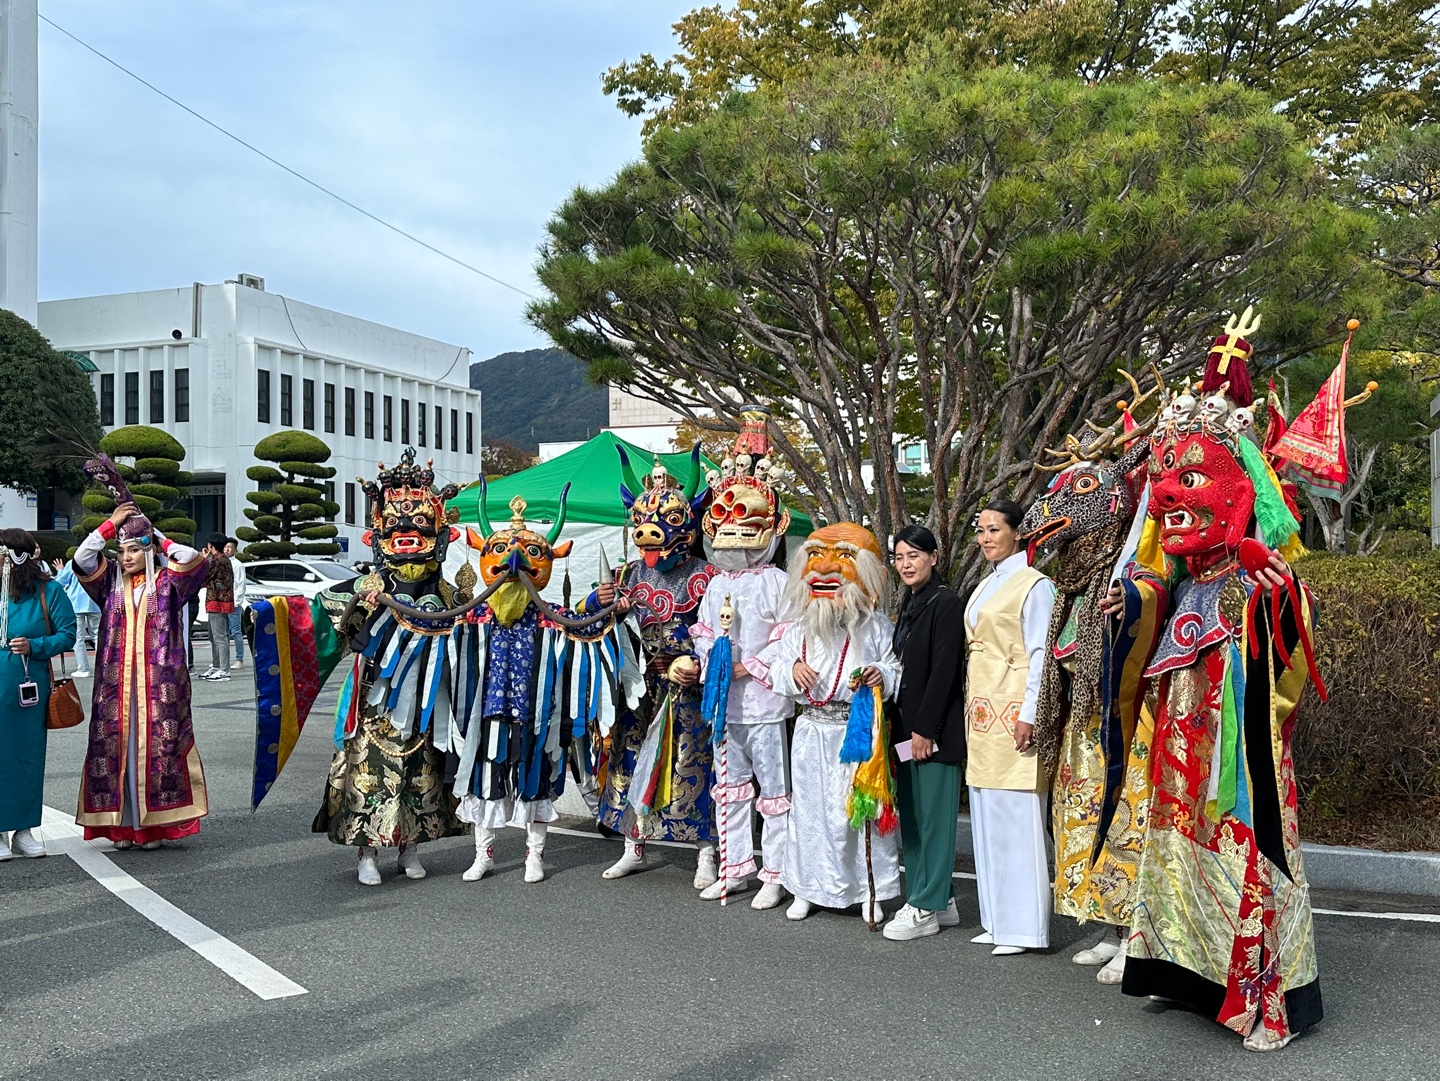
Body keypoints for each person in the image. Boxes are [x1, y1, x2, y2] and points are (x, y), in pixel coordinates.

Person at [1117, 313, 1323, 1052]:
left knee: (1244, 848)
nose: (1169, 492)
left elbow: (1290, 669)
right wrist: (1133, 599)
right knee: (1176, 839)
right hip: (1180, 759)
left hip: (1237, 768)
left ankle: (1263, 998)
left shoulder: (1258, 575)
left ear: (1243, 489)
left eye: (1192, 476)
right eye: (1163, 476)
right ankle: (1185, 972)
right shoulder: (1186, 584)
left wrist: (1273, 597)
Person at [1018, 398, 1169, 983]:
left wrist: (1129, 605)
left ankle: (1138, 931)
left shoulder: (1128, 573)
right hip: (1077, 727)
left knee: (1123, 814)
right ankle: (1110, 925)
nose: (1058, 505)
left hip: (1120, 730)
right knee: (1082, 818)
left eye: (1075, 493)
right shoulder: (1067, 588)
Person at [450, 484, 622, 885]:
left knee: (537, 780)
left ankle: (534, 856)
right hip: (488, 712)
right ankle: (483, 854)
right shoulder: (473, 615)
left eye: (530, 554)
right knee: (484, 778)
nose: (513, 562)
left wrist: (600, 603)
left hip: (538, 714)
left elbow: (587, 625)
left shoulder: (552, 615)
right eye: (500, 552)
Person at [309, 449, 466, 885]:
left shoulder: (451, 595)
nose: (406, 532)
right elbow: (323, 622)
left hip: (428, 700)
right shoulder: (367, 585)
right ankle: (367, 854)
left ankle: (410, 848)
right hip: (374, 695)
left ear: (441, 534)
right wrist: (360, 598)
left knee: (424, 770)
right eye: (395, 525)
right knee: (368, 770)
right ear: (376, 535)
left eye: (419, 525)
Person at [591, 447, 719, 887]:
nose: (652, 534)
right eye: (644, 523)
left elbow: (725, 637)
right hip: (640, 689)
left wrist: (697, 663)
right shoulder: (629, 573)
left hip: (690, 690)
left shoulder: (709, 576)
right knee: (630, 761)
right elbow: (595, 623)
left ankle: (708, 852)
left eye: (666, 523)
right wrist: (598, 602)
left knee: (693, 764)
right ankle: (634, 845)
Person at [763, 523, 901, 925]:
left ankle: (866, 892)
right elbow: (774, 669)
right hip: (810, 732)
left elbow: (894, 668)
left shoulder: (875, 626)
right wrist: (792, 670)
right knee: (809, 814)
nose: (824, 571)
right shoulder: (796, 629)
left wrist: (878, 673)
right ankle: (806, 889)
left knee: (857, 812)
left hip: (856, 732)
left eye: (841, 561)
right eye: (815, 560)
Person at [74, 457, 210, 850]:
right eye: (122, 550)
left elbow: (192, 558)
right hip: (115, 690)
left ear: (148, 551)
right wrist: (111, 524)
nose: (126, 557)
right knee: (115, 751)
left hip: (160, 686)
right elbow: (83, 558)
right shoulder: (109, 585)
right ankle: (121, 827)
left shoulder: (169, 584)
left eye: (134, 550)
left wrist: (158, 536)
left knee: (160, 751)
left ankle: (152, 828)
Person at [691, 411, 794, 910]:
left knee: (773, 790)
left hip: (766, 700)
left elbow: (789, 635)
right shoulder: (714, 584)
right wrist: (711, 661)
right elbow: (705, 632)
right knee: (729, 787)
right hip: (724, 704)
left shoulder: (776, 581)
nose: (732, 528)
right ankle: (735, 869)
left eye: (744, 520)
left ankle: (775, 872)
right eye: (724, 519)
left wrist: (748, 666)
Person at [964, 499, 1056, 956]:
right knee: (986, 815)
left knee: (1017, 817)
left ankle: (1025, 927)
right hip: (982, 711)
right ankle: (997, 919)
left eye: (994, 529)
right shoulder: (987, 584)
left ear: (1018, 533)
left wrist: (1030, 712)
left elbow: (1040, 653)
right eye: (980, 530)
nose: (985, 538)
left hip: (1012, 706)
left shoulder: (1035, 585)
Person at [881, 525, 966, 942]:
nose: (906, 564)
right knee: (913, 819)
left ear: (934, 556)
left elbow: (944, 672)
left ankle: (925, 907)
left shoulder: (945, 603)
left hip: (932, 733)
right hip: (907, 730)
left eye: (914, 555)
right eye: (899, 557)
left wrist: (924, 729)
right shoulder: (913, 603)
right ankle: (938, 898)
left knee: (933, 820)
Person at [0, 530, 77, 860]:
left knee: (25, 757)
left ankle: (23, 830)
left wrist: (36, 646)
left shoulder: (49, 592)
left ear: (14, 557)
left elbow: (68, 635)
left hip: (25, 688)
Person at [52, 557, 101, 678]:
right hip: (95, 602)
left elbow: (61, 581)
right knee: (98, 636)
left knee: (78, 638)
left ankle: (83, 668)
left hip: (76, 603)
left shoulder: (73, 563)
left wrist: (60, 571)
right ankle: (104, 666)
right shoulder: (99, 561)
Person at [201, 534, 234, 681]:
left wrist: (203, 559)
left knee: (219, 637)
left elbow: (204, 575)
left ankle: (224, 670)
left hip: (218, 601)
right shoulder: (220, 559)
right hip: (217, 600)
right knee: (214, 637)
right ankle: (216, 666)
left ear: (211, 545)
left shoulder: (218, 560)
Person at [224, 538, 245, 669]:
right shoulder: (221, 562)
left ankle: (239, 659)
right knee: (223, 632)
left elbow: (241, 585)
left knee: (236, 632)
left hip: (234, 603)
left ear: (235, 549)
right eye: (225, 547)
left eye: (230, 547)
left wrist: (236, 602)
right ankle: (224, 660)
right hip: (223, 602)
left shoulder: (238, 565)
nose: (227, 549)